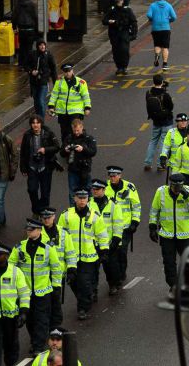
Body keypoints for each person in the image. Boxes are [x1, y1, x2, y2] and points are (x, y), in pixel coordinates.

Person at [59, 189, 107, 319]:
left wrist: (104, 250)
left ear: (88, 199)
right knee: (73, 283)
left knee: (85, 284)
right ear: (74, 198)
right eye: (79, 198)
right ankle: (85, 298)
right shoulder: (66, 216)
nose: (82, 200)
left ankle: (82, 308)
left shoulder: (94, 216)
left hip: (88, 258)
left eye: (84, 198)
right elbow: (60, 236)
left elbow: (102, 234)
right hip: (71, 258)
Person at [149, 173, 189, 289]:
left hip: (186, 236)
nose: (177, 190)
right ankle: (173, 285)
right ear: (170, 185)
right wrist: (152, 227)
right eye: (175, 187)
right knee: (169, 263)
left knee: (188, 262)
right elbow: (154, 210)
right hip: (167, 235)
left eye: (179, 187)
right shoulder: (161, 192)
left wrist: (187, 195)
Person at [104, 166, 140, 291]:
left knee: (122, 251)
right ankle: (116, 277)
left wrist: (135, 222)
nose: (112, 178)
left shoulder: (129, 187)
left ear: (120, 176)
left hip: (125, 227)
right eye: (110, 176)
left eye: (114, 175)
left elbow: (136, 205)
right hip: (109, 228)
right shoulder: (105, 187)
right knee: (112, 254)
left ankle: (121, 272)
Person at [20, 115, 59, 217]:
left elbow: (57, 147)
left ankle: (44, 212)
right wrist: (23, 167)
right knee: (32, 190)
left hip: (45, 167)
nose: (35, 125)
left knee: (45, 192)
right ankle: (36, 210)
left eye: (37, 123)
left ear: (41, 124)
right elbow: (23, 152)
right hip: (32, 167)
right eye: (33, 123)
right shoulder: (27, 135)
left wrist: (45, 150)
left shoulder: (49, 133)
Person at [47, 63, 91, 139]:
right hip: (62, 112)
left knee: (76, 130)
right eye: (65, 71)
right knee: (64, 132)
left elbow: (86, 96)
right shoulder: (59, 82)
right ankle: (66, 146)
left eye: (69, 71)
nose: (67, 73)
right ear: (63, 72)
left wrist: (87, 108)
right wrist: (51, 106)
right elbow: (54, 95)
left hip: (76, 111)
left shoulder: (81, 82)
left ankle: (80, 144)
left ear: (72, 70)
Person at [60, 118, 97, 200]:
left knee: (87, 192)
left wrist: (83, 149)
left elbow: (93, 152)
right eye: (74, 130)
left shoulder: (89, 138)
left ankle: (89, 207)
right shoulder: (69, 138)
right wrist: (66, 150)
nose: (76, 132)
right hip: (72, 170)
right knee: (73, 193)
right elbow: (61, 153)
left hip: (85, 169)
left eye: (78, 130)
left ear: (82, 127)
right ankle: (73, 208)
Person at [144, 77, 175, 171]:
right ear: (162, 82)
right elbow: (171, 107)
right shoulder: (165, 95)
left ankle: (147, 163)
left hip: (156, 121)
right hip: (166, 121)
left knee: (153, 141)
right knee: (163, 143)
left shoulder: (148, 93)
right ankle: (160, 164)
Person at [103, 0, 137, 76]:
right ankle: (119, 67)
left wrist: (134, 33)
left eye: (121, 0)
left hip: (124, 32)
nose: (121, 2)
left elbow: (133, 22)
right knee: (116, 51)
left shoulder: (127, 10)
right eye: (119, 1)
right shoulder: (112, 10)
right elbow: (104, 20)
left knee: (124, 50)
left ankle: (124, 67)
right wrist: (110, 21)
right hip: (114, 33)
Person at [24, 39, 56, 119]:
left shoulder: (48, 55)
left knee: (41, 101)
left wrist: (55, 82)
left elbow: (53, 69)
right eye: (41, 45)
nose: (43, 46)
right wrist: (31, 71)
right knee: (36, 102)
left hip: (43, 82)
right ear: (37, 46)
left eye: (44, 45)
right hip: (34, 82)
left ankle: (41, 120)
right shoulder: (32, 54)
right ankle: (38, 117)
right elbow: (25, 65)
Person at [146, 0, 177, 70]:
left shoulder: (152, 5)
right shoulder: (168, 5)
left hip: (155, 28)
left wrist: (153, 19)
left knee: (157, 44)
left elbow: (149, 15)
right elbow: (174, 17)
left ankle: (157, 54)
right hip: (165, 28)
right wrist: (169, 20)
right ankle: (165, 64)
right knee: (165, 47)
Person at [13, 0, 39, 64]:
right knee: (29, 47)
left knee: (22, 46)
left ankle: (21, 63)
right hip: (30, 29)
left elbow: (14, 16)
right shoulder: (33, 4)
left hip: (21, 29)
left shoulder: (18, 3)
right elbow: (36, 17)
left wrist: (14, 27)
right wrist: (37, 29)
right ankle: (28, 63)